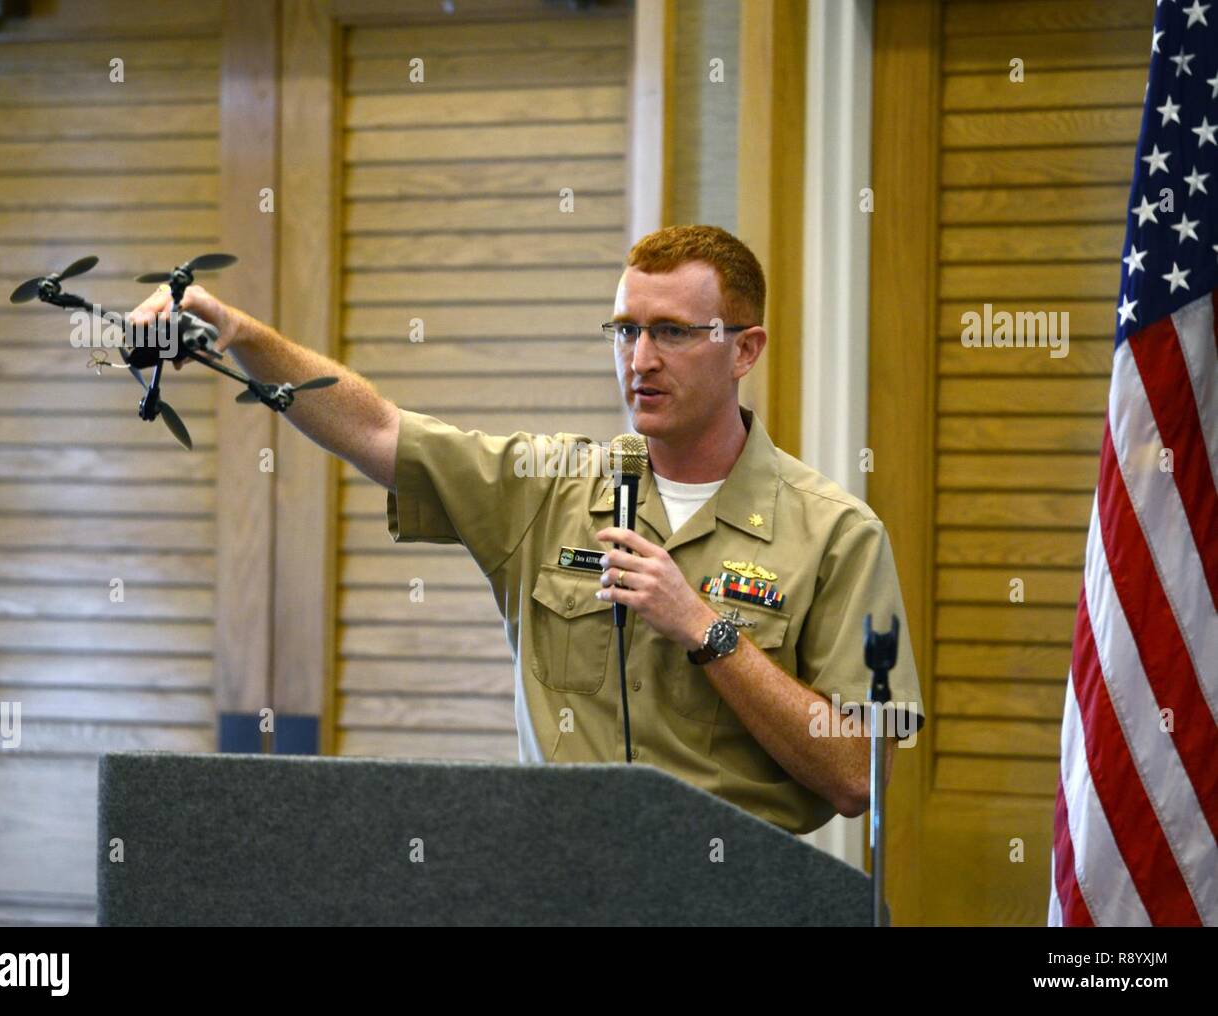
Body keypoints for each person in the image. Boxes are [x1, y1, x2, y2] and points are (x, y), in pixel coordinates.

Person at [131, 224, 925, 834]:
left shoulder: (835, 534)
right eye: (625, 331)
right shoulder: (548, 489)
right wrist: (237, 330)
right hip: (559, 887)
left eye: (673, 332)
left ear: (743, 349)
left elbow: (858, 776)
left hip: (732, 895)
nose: (640, 359)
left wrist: (705, 631)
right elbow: (376, 431)